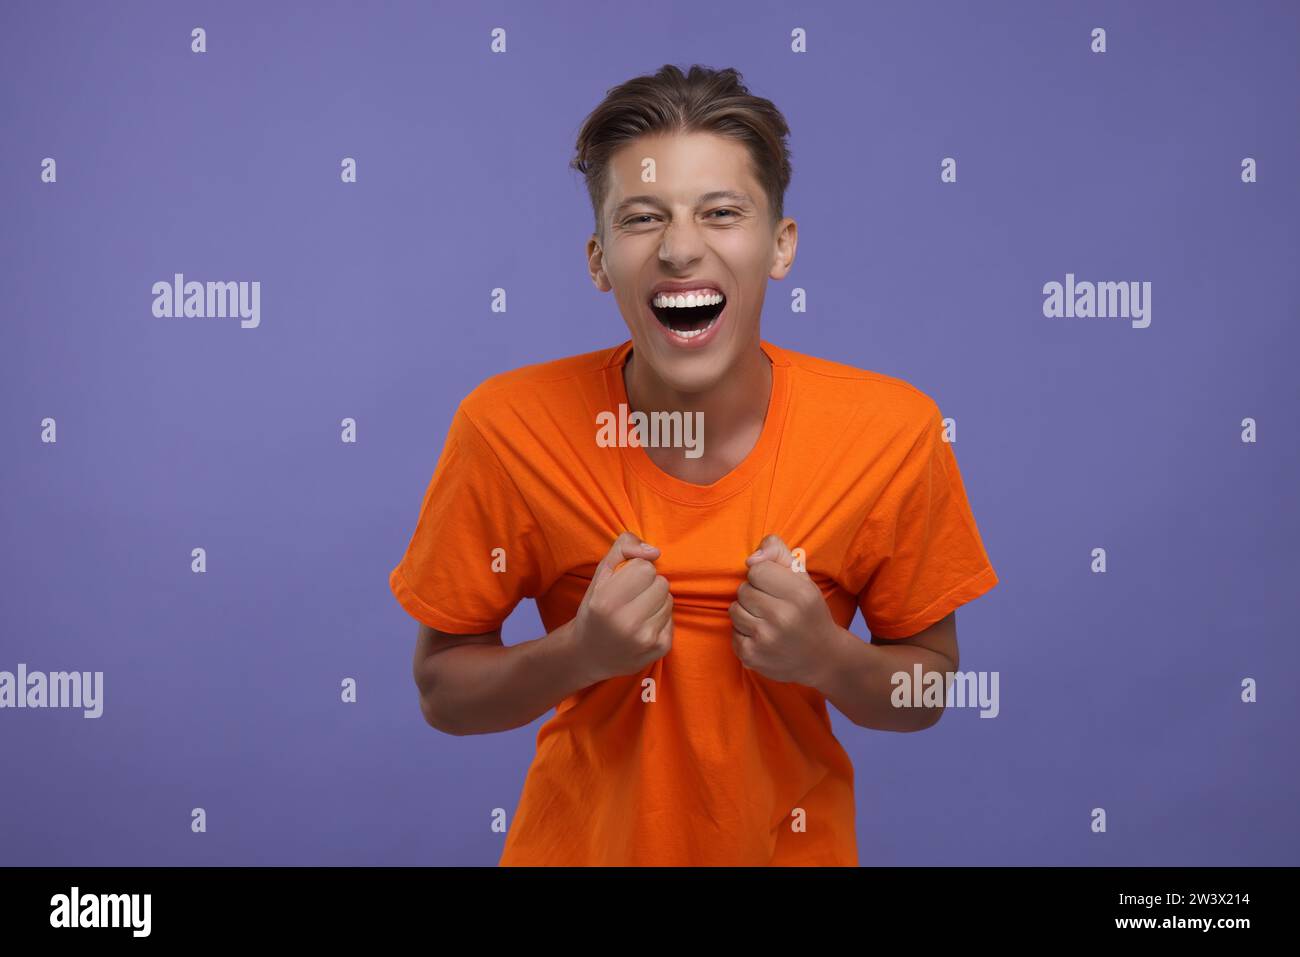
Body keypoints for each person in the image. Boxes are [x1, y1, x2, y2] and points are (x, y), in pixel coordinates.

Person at [389, 63, 999, 866]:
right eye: (642, 218)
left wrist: (829, 658)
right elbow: (441, 691)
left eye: (721, 212)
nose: (681, 249)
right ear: (600, 259)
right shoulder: (506, 426)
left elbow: (930, 690)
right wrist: (579, 653)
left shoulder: (892, 432)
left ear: (780, 246)